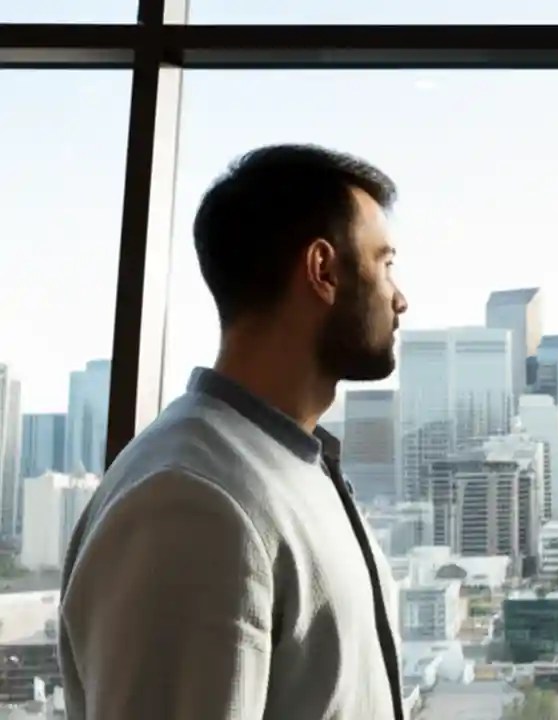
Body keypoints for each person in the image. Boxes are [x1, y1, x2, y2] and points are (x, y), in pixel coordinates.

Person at [58, 145, 411, 719]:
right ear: (323, 270)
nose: (400, 297)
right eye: (385, 263)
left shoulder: (290, 466)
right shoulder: (191, 498)